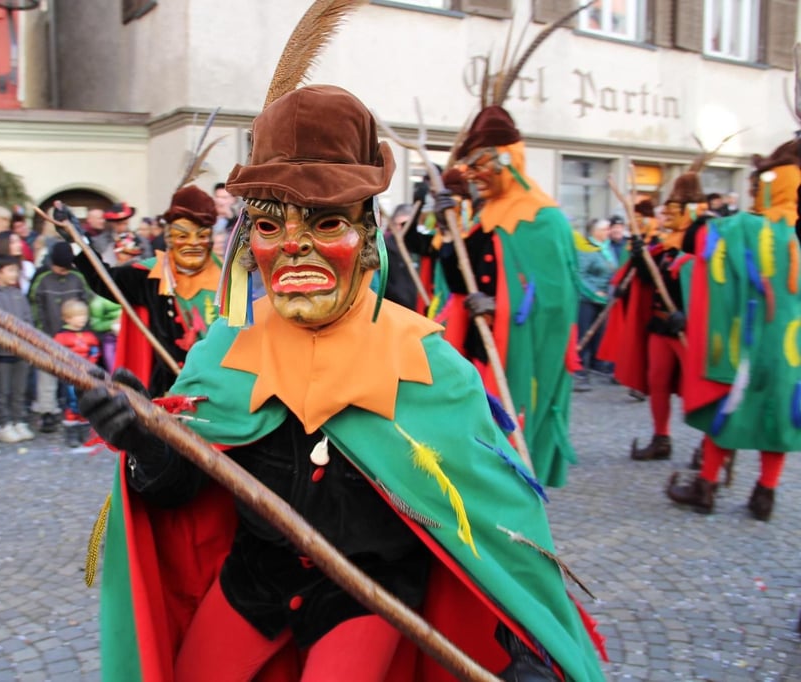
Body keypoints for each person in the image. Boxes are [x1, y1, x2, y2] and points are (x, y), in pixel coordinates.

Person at [78, 84, 605, 682]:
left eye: (327, 222)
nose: (295, 248)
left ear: (370, 236)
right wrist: (144, 440)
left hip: (369, 593)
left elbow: (499, 527)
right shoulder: (225, 349)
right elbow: (182, 488)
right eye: (270, 226)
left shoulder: (429, 366)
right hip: (256, 582)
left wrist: (525, 649)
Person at [438, 105, 586, 488]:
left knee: (509, 443)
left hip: (516, 357)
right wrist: (447, 231)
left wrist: (500, 309)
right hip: (479, 353)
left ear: (509, 158)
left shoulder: (545, 219)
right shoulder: (485, 217)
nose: (472, 174)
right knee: (477, 442)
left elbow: (556, 307)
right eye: (468, 166)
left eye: (479, 163)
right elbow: (460, 282)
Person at [667, 138, 801, 520]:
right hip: (791, 350)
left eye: (756, 186)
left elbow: (705, 253)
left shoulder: (743, 228)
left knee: (728, 410)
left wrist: (688, 259)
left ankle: (706, 487)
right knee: (779, 416)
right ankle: (765, 495)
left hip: (748, 344)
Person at [73, 185, 222, 396]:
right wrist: (78, 241)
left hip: (221, 390)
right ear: (169, 238)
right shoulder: (151, 276)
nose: (193, 243)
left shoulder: (230, 278)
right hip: (169, 392)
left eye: (202, 236)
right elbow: (103, 279)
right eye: (182, 236)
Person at [599, 171, 707, 461]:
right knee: (657, 380)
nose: (667, 216)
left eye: (674, 210)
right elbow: (650, 277)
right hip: (661, 323)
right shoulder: (667, 242)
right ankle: (661, 438)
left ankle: (709, 447)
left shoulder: (703, 237)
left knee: (700, 387)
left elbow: (710, 284)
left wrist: (688, 314)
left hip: (690, 325)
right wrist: (639, 256)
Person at [28, 241, 94, 432]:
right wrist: (40, 332)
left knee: (77, 377)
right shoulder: (42, 277)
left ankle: (78, 411)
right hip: (48, 335)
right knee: (47, 375)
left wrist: (85, 329)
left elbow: (87, 301)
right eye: (59, 267)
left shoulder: (77, 278)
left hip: (76, 336)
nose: (62, 271)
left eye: (65, 268)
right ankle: (47, 411)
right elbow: (34, 305)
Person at [0, 254, 36, 444]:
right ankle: (3, 423)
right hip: (0, 352)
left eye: (16, 271)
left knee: (19, 389)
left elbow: (28, 319)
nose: (15, 274)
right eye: (11, 270)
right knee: (2, 390)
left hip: (21, 351)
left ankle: (18, 420)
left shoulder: (18, 294)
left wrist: (28, 339)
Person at [573, 218, 616, 392]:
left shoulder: (607, 249)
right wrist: (594, 292)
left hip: (604, 299)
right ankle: (578, 369)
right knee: (584, 333)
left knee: (599, 333)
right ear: (595, 232)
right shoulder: (587, 249)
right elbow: (580, 274)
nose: (608, 232)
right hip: (587, 299)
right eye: (605, 229)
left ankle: (596, 364)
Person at [52, 298, 100, 448]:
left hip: (87, 374)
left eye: (84, 316)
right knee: (72, 401)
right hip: (71, 375)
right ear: (67, 318)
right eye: (78, 316)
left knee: (86, 401)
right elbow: (57, 354)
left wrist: (90, 364)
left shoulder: (89, 335)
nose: (82, 319)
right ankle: (72, 433)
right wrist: (70, 367)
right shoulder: (61, 336)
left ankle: (85, 431)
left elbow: (95, 350)